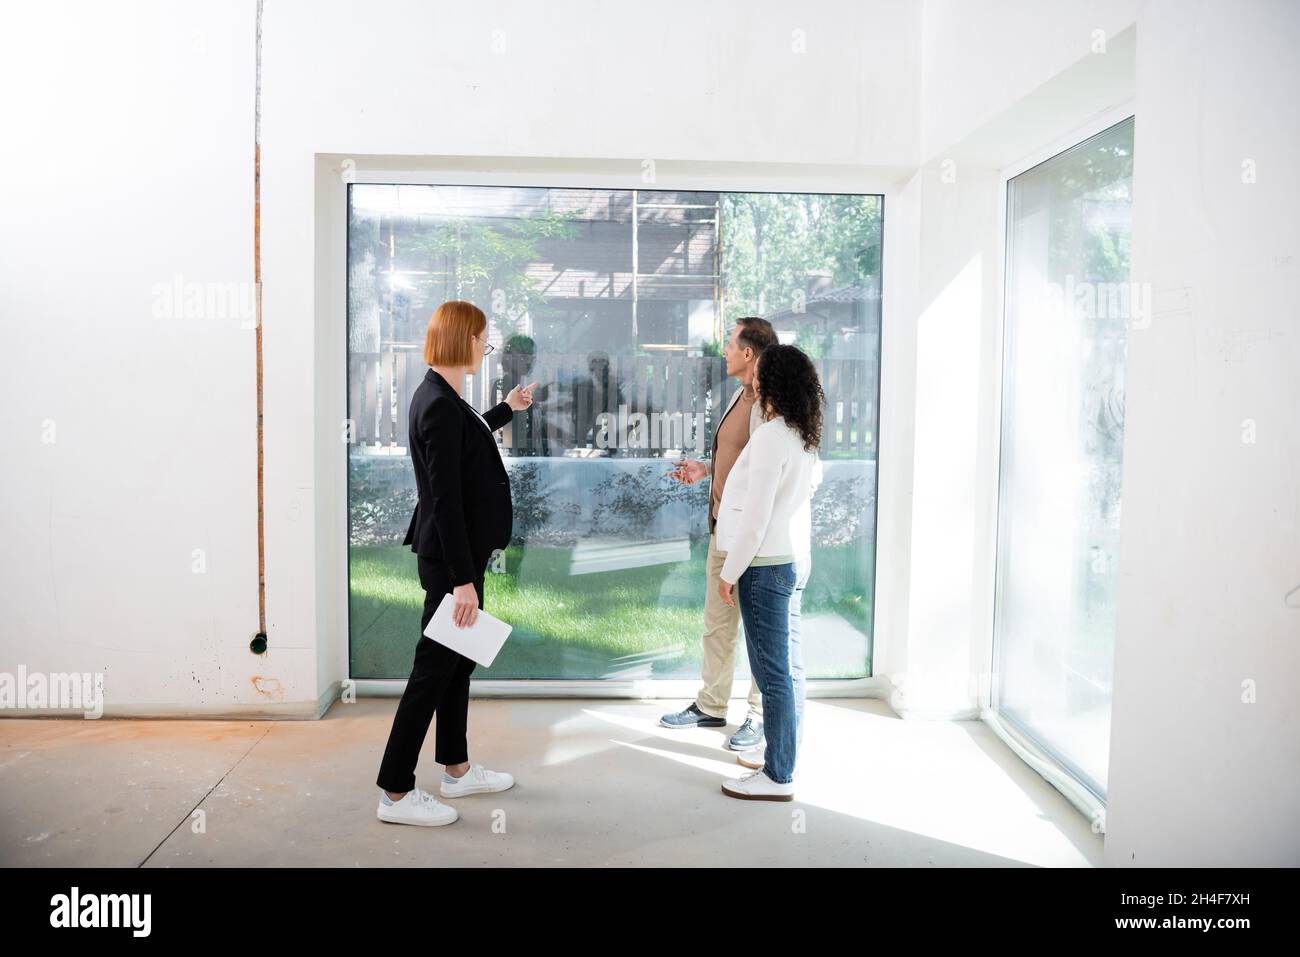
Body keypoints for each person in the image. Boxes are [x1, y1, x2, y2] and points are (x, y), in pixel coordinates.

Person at [375, 300, 537, 827]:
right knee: (431, 674)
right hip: (451, 565)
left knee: (456, 666)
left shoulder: (442, 394)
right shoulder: (439, 402)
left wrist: (506, 409)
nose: (485, 348)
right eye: (482, 339)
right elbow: (444, 499)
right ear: (461, 339)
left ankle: (458, 769)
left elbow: (466, 443)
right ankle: (395, 793)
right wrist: (463, 582)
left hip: (456, 561)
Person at [660, 317, 778, 754]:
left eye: (731, 344)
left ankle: (760, 717)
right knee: (718, 626)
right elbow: (739, 457)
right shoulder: (739, 394)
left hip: (750, 538)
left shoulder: (769, 405)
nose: (725, 351)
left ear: (749, 353)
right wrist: (706, 470)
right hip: (720, 530)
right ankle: (711, 705)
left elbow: (770, 471)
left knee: (758, 633)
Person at [714, 344, 824, 802]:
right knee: (789, 670)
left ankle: (779, 775)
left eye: (759, 372)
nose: (752, 378)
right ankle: (784, 757)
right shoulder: (801, 434)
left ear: (769, 382)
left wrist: (729, 573)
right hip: (791, 561)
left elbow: (755, 516)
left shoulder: (771, 437)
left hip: (764, 567)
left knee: (772, 673)